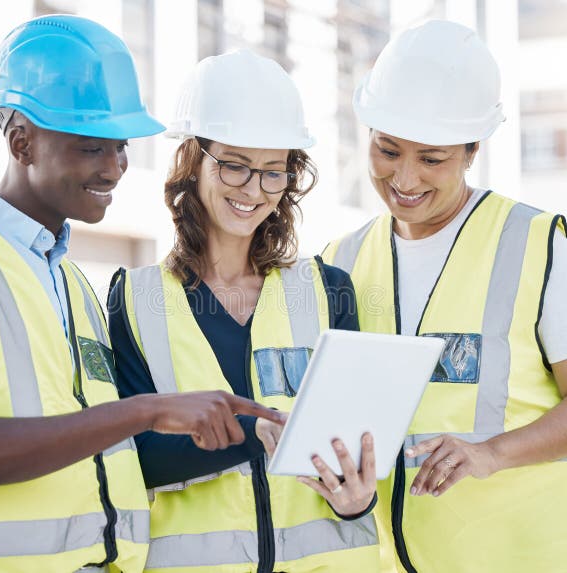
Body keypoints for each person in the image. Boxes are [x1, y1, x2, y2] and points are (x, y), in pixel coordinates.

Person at [0, 16, 285, 573]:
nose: (114, 169)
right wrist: (148, 410)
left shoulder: (71, 285)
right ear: (21, 141)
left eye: (121, 147)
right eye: (92, 147)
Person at [322, 20, 567, 573]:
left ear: (471, 151)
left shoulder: (534, 244)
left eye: (431, 159)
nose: (405, 178)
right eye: (388, 150)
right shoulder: (340, 260)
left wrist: (490, 454)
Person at [108, 49, 381, 572]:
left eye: (273, 172)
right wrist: (246, 436)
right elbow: (128, 458)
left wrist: (357, 502)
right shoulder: (135, 300)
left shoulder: (329, 293)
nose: (254, 190)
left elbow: (358, 449)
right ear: (193, 160)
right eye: (234, 165)